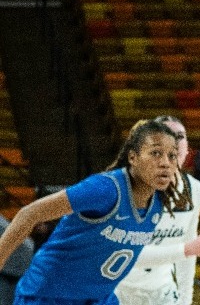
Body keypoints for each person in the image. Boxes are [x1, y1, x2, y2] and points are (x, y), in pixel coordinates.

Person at [0, 120, 183, 302]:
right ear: (132, 157)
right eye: (156, 153)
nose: (165, 163)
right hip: (49, 294)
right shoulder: (105, 189)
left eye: (172, 156)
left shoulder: (159, 201)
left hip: (97, 298)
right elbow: (29, 214)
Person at [117, 116, 200, 305]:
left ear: (188, 148)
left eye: (180, 136)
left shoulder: (195, 189)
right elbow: (126, 254)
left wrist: (185, 300)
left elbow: (187, 258)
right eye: (167, 135)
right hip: (120, 290)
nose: (175, 141)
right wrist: (186, 249)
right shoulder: (127, 188)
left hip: (163, 293)